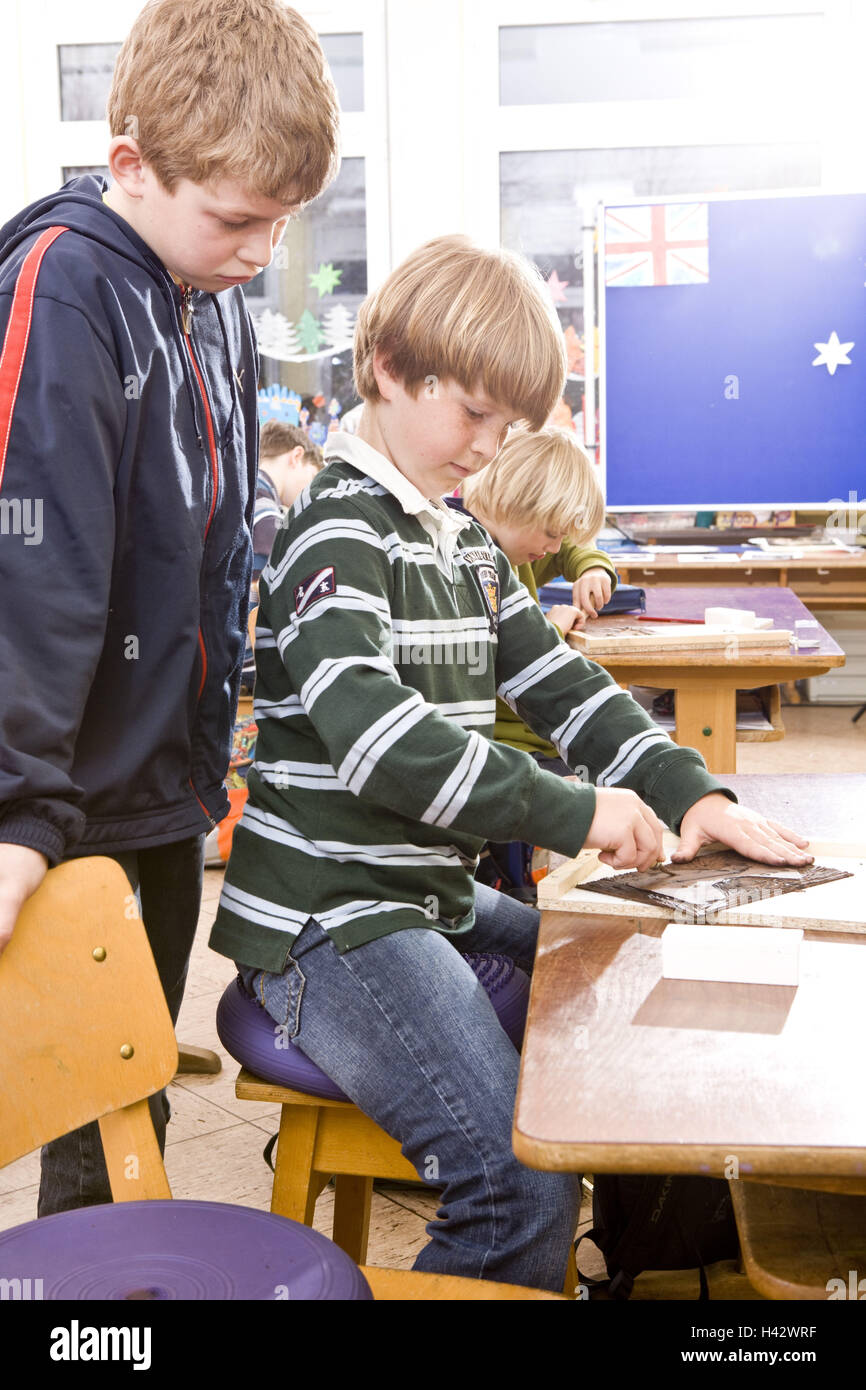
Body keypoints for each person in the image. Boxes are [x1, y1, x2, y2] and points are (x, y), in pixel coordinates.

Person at [209, 233, 812, 1292]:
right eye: (470, 413)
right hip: (331, 918)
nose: (487, 446)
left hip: (421, 894)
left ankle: (641, 1274)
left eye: (507, 424)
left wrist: (690, 793)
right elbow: (381, 741)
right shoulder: (334, 533)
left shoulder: (463, 545)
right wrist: (571, 809)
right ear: (390, 370)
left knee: (631, 987)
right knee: (516, 1177)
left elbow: (563, 687)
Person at [0, 0, 339, 1216]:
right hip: (69, 800)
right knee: (86, 1112)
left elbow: (213, 533)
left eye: (281, 223)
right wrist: (23, 813)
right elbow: (35, 565)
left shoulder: (211, 297)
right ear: (131, 165)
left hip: (159, 783)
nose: (259, 249)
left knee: (131, 1075)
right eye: (237, 218)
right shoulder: (68, 283)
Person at [455, 424, 615, 774]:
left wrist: (592, 568)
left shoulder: (514, 544)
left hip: (540, 739)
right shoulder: (467, 564)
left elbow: (570, 548)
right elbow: (495, 665)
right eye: (551, 534)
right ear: (516, 504)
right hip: (507, 750)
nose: (555, 547)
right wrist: (549, 630)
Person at [241, 421, 324, 692]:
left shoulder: (244, 489)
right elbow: (266, 595)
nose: (308, 493)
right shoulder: (266, 510)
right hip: (246, 661)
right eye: (311, 478)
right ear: (296, 456)